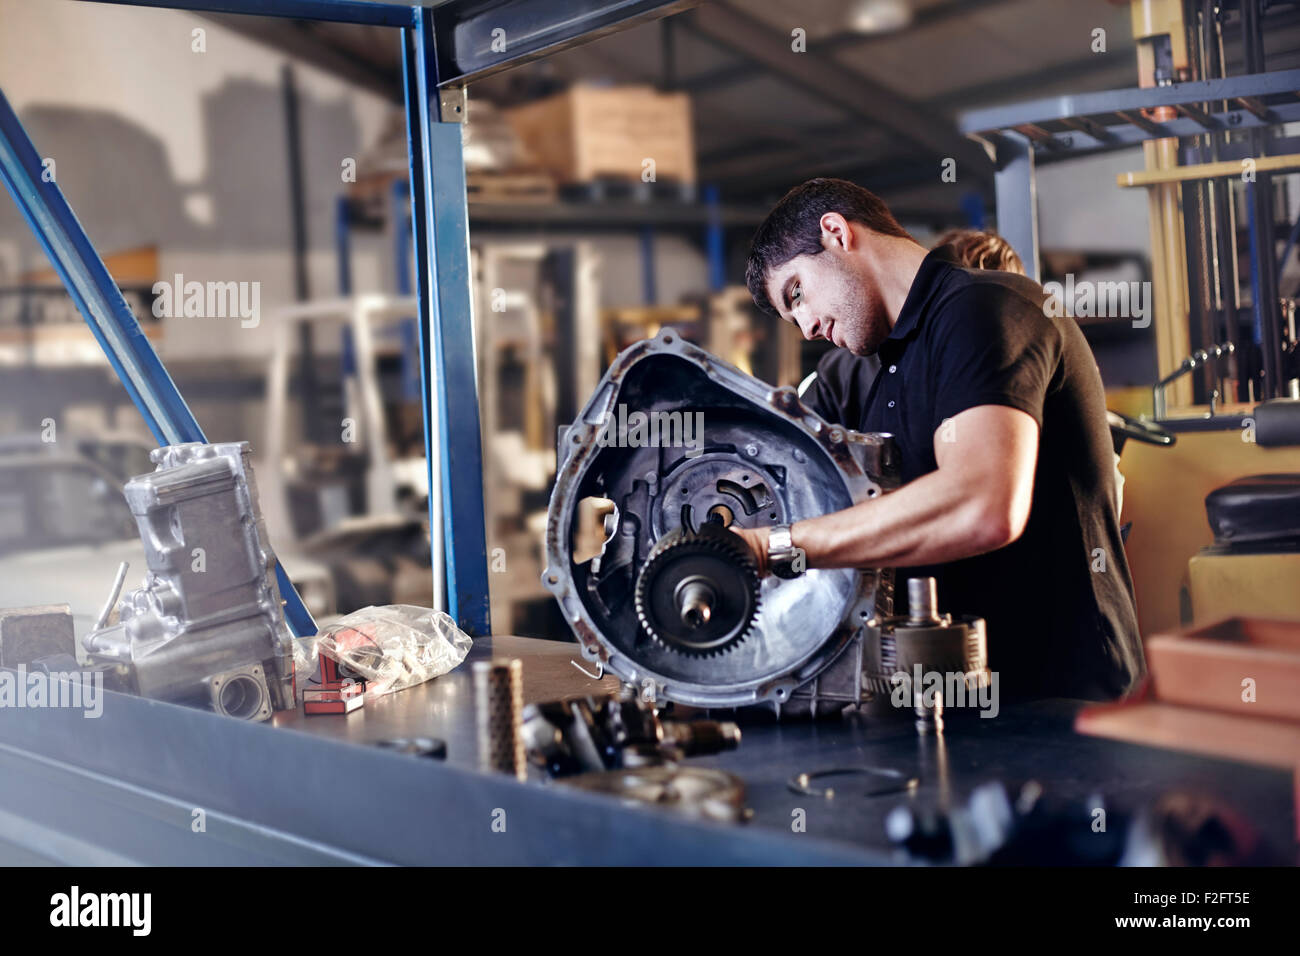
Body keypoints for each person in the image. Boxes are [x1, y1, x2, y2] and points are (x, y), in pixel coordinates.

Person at [737, 178, 1143, 702]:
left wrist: (775, 548)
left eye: (797, 293)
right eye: (792, 318)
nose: (808, 328)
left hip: (1064, 703)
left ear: (837, 233)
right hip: (955, 705)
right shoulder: (869, 371)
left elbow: (982, 503)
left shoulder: (988, 308)